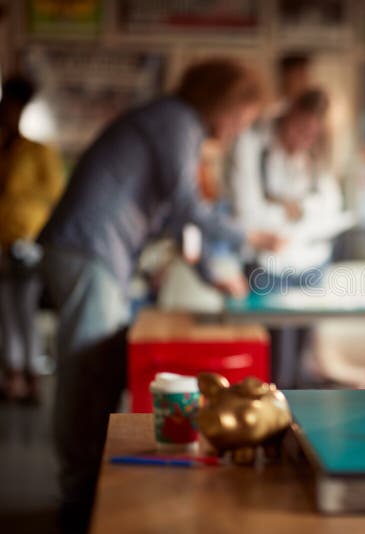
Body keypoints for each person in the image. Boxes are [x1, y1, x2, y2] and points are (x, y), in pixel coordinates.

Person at [37, 58, 282, 532]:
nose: (239, 130)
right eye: (244, 118)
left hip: (89, 252)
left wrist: (215, 274)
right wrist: (250, 234)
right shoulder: (177, 122)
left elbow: (176, 219)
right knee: (87, 377)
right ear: (225, 104)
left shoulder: (172, 123)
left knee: (101, 373)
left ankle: (85, 492)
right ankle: (77, 501)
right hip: (89, 251)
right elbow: (189, 206)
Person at [227, 88, 342, 387]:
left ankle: (297, 429)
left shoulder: (317, 154)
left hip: (311, 266)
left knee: (302, 368)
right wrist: (297, 212)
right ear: (289, 114)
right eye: (301, 129)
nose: (305, 139)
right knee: (274, 369)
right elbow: (248, 215)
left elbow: (330, 207)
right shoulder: (253, 143)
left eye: (313, 134)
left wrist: (289, 206)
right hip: (268, 268)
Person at [0, 75, 64, 401]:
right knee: (6, 311)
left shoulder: (37, 151)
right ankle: (13, 375)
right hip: (1, 240)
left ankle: (31, 375)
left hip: (27, 241)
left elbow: (55, 195)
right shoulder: (4, 147)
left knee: (25, 310)